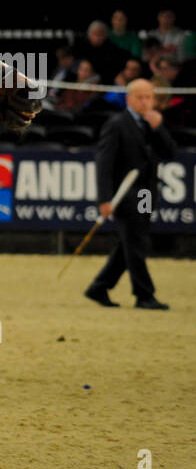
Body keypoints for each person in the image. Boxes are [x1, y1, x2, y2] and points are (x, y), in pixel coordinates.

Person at [85, 79, 176, 310]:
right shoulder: (117, 124)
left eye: (149, 97)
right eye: (140, 97)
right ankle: (144, 294)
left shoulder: (151, 123)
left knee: (132, 241)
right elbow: (104, 163)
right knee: (136, 243)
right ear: (129, 99)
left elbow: (169, 153)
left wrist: (159, 128)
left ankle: (100, 286)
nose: (145, 102)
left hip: (146, 193)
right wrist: (104, 199)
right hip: (124, 194)